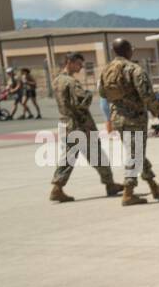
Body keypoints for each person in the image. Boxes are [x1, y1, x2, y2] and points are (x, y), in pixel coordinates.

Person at [49, 53, 123, 203]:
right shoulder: (71, 82)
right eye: (78, 63)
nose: (81, 67)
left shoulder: (57, 80)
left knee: (74, 156)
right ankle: (57, 188)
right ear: (69, 62)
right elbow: (82, 102)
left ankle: (109, 184)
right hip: (79, 124)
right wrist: (92, 92)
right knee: (94, 155)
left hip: (66, 122)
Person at [99, 39, 159, 204]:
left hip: (117, 118)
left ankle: (152, 185)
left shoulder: (106, 70)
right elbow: (147, 95)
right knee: (135, 154)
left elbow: (102, 93)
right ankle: (128, 192)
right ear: (128, 50)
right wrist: (158, 111)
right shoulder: (134, 69)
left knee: (136, 152)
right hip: (135, 118)